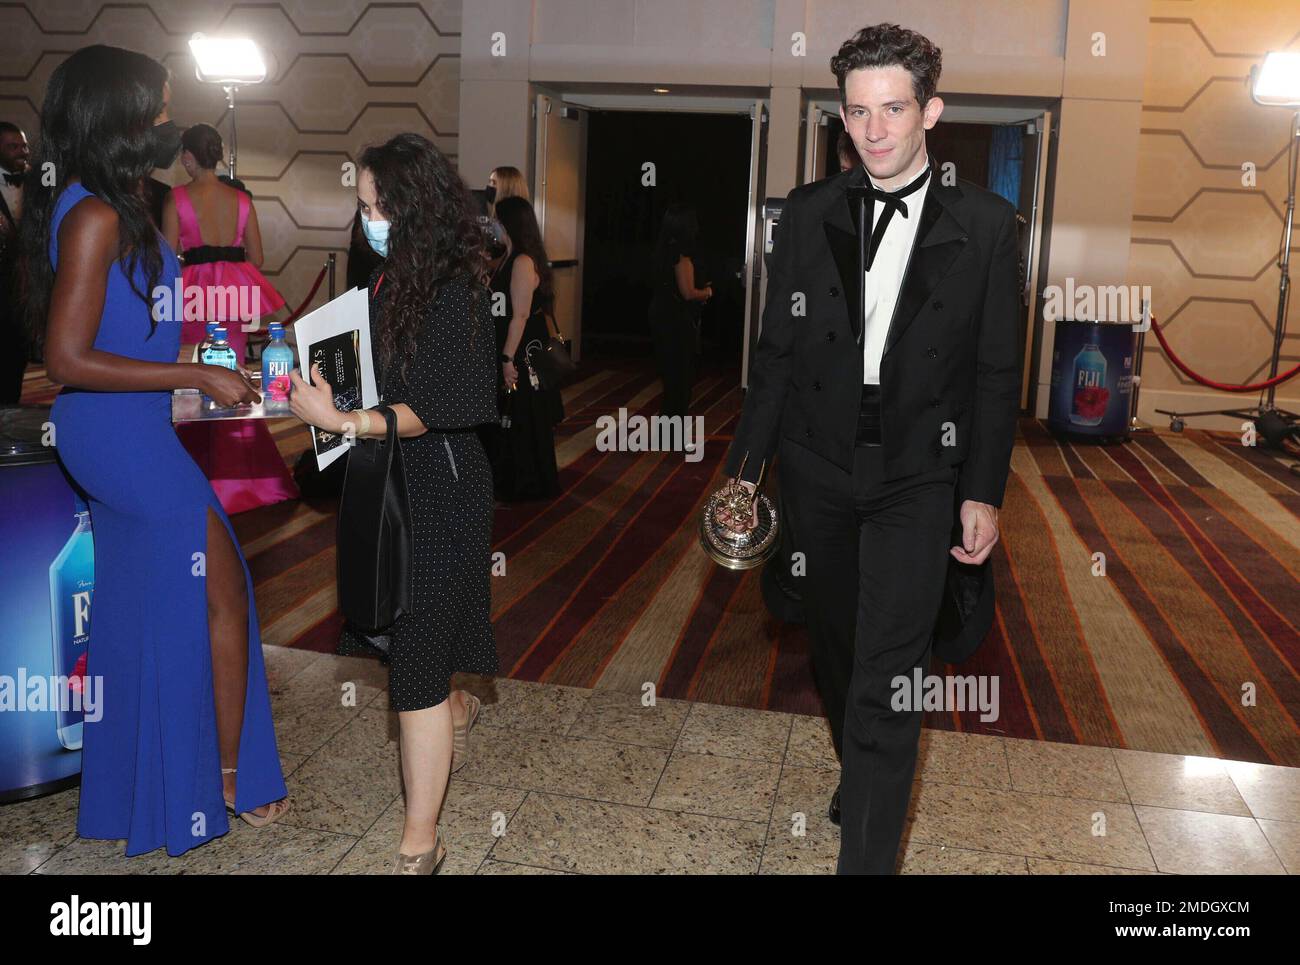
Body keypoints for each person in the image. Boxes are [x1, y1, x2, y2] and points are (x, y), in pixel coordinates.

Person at [716, 23, 1020, 874]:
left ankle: (869, 852)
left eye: (893, 109)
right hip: (817, 466)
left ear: (932, 110)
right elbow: (774, 358)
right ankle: (864, 769)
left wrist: (983, 491)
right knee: (836, 643)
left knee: (891, 675)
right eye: (858, 111)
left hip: (921, 472)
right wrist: (743, 471)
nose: (875, 129)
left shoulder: (990, 228)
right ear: (840, 116)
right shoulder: (808, 214)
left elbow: (998, 375)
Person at [19, 45, 290, 858]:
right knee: (221, 592)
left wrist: (189, 381)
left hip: (132, 427)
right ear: (122, 118)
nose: (169, 122)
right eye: (159, 108)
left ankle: (141, 783)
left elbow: (119, 335)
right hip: (112, 433)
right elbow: (64, 358)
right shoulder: (96, 215)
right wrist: (193, 372)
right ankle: (226, 777)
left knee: (147, 604)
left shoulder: (119, 204)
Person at [287, 132, 498, 874]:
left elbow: (452, 401)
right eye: (362, 206)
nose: (366, 220)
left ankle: (420, 840)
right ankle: (453, 704)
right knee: (405, 649)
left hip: (439, 486)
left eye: (377, 207)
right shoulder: (383, 283)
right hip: (385, 481)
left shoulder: (458, 286)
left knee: (411, 672)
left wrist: (344, 420)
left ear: (414, 209)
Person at [162, 122, 298, 514]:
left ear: (188, 158)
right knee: (232, 378)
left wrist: (196, 256)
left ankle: (193, 479)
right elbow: (256, 258)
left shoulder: (176, 197)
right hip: (235, 293)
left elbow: (169, 255)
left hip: (191, 295)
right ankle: (244, 482)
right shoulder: (242, 200)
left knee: (193, 380)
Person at [488, 195, 563, 501]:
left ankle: (525, 485)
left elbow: (519, 315)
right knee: (517, 418)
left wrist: (507, 358)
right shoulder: (511, 255)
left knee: (521, 418)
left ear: (508, 224)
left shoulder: (521, 261)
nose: (493, 224)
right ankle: (515, 481)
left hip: (519, 349)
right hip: (512, 344)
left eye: (497, 219)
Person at [649, 203, 711, 418]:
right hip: (675, 321)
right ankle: (673, 434)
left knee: (670, 378)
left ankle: (667, 430)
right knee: (680, 379)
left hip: (661, 315)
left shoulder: (662, 250)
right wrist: (707, 292)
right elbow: (688, 292)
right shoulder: (681, 256)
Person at [0, 121, 29, 402]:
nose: (22, 152)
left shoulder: (38, 185)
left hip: (21, 296)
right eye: (13, 147)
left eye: (24, 146)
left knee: (14, 367)